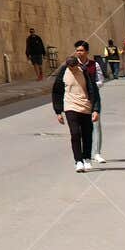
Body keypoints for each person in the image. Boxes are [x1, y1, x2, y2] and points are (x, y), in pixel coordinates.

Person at [51, 40, 100, 172]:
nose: (72, 70)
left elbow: (93, 90)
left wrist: (96, 109)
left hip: (85, 106)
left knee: (87, 133)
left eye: (73, 68)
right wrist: (58, 111)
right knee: (75, 133)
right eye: (70, 68)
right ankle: (78, 161)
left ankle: (87, 158)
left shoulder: (84, 71)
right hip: (70, 106)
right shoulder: (63, 72)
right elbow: (56, 91)